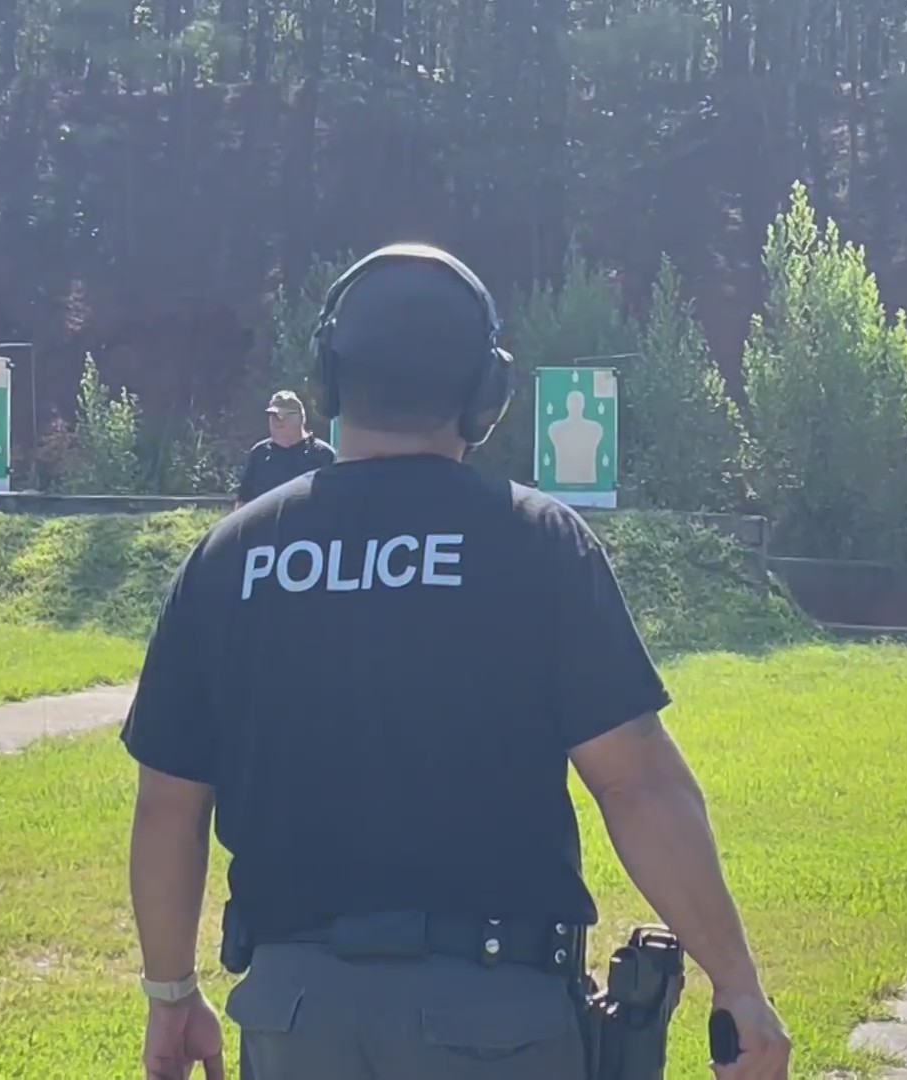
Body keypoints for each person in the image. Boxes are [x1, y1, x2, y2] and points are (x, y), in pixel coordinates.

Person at [120, 242, 789, 1080]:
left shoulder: (233, 554)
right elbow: (636, 781)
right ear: (488, 395)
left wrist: (172, 990)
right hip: (496, 1017)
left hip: (294, 1017)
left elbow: (169, 808)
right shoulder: (536, 543)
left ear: (329, 379)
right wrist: (737, 981)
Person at [234, 390, 336, 506]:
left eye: (281, 416)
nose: (276, 421)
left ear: (299, 417)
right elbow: (243, 501)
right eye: (272, 415)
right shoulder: (260, 453)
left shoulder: (322, 455)